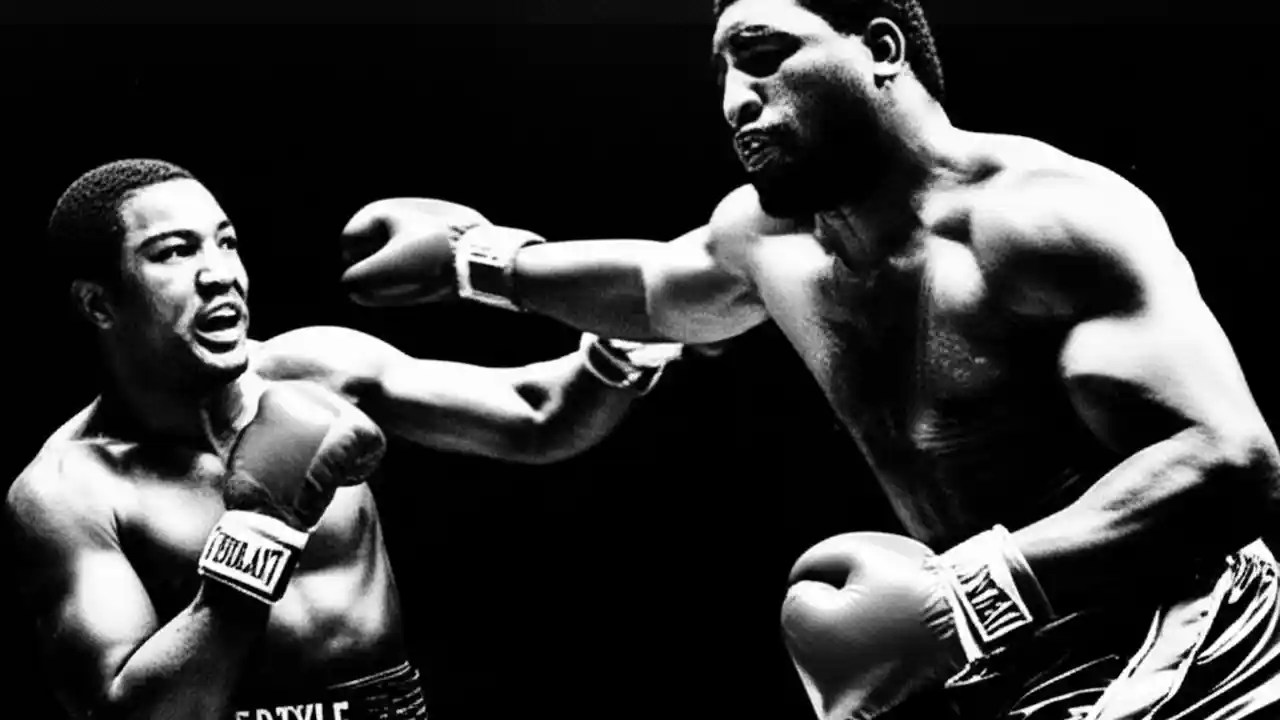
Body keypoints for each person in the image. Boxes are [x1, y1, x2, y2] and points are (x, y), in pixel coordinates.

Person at [334, 0, 1280, 717]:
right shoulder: (770, 238)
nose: (734, 100)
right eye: (720, 74)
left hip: (1180, 630)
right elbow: (658, 287)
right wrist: (476, 260)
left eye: (762, 54)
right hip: (989, 643)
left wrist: (969, 594)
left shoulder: (1044, 219)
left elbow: (1225, 456)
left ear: (880, 49)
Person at [4, 158, 687, 720]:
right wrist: (259, 535)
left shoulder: (319, 370)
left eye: (226, 242)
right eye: (175, 253)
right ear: (98, 303)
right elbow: (134, 714)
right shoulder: (69, 490)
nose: (220, 273)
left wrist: (642, 328)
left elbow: (537, 416)